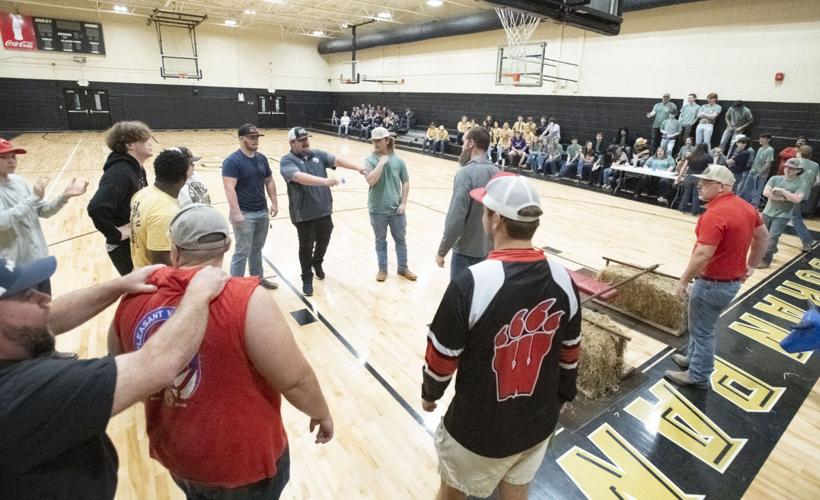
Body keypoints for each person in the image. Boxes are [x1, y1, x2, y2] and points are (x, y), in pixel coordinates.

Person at [110, 204, 333, 498]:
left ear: (175, 250)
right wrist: (321, 412)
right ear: (228, 245)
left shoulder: (134, 296)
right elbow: (294, 379)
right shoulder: (247, 299)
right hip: (244, 466)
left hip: (178, 455)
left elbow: (118, 368)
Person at [0, 256, 229, 498]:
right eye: (26, 296)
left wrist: (119, 285)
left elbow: (49, 317)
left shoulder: (11, 336)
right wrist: (198, 294)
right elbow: (157, 364)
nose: (44, 299)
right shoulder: (23, 394)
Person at [422, 173, 580, 500]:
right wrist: (563, 396)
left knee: (451, 494)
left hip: (477, 432)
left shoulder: (472, 282)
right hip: (537, 424)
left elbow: (441, 357)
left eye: (484, 209)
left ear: (496, 220)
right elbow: (570, 353)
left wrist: (430, 393)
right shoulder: (564, 280)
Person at [666, 164, 768, 388]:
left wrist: (683, 281)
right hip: (728, 283)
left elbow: (703, 254)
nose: (700, 186)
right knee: (699, 326)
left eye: (706, 182)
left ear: (722, 187)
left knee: (703, 331)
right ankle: (692, 360)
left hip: (712, 284)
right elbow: (762, 237)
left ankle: (698, 376)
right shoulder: (747, 208)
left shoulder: (714, 214)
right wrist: (751, 265)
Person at [280, 127, 366, 296]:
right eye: (301, 140)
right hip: (304, 214)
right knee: (306, 246)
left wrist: (358, 167)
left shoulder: (317, 154)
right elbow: (298, 177)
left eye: (306, 138)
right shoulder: (287, 161)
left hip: (324, 210)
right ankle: (306, 278)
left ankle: (317, 262)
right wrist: (325, 181)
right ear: (292, 143)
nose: (306, 142)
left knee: (324, 239)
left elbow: (337, 160)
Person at [0, 138, 87, 294]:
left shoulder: (18, 181)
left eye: (13, 156)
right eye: (3, 157)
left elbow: (42, 211)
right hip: (15, 270)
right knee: (27, 316)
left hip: (38, 262)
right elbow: (3, 222)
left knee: (45, 308)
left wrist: (64, 197)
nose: (11, 161)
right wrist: (33, 198)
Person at [88, 121, 151, 276]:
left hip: (135, 242)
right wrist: (116, 234)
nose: (150, 143)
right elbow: (96, 207)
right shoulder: (120, 172)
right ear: (130, 145)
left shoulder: (136, 168)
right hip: (124, 247)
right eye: (144, 139)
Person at [436, 126, 499, 280]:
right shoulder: (497, 173)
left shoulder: (465, 174)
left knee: (460, 301)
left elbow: (456, 218)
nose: (462, 146)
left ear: (471, 143)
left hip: (465, 253)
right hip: (491, 252)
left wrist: (442, 250)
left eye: (464, 142)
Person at [222, 123, 279, 290]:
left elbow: (269, 180)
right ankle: (235, 287)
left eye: (257, 137)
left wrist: (274, 202)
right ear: (241, 139)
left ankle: (257, 280)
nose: (256, 141)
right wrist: (236, 212)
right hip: (244, 214)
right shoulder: (232, 161)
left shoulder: (261, 158)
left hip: (261, 212)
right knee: (242, 251)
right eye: (252, 138)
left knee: (257, 249)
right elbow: (229, 187)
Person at [364, 127, 416, 282]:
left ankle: (403, 268)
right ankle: (382, 269)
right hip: (377, 209)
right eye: (373, 141)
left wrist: (404, 203)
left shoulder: (399, 161)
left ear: (387, 140)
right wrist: (380, 164)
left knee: (401, 240)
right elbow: (370, 180)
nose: (375, 143)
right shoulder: (369, 160)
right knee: (380, 241)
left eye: (378, 140)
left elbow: (405, 182)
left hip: (396, 210)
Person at [130, 149, 188, 267]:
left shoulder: (142, 194)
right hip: (154, 281)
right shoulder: (166, 213)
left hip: (140, 269)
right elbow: (162, 262)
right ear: (184, 177)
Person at [757, 159, 807, 268]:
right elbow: (766, 193)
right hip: (767, 212)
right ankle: (772, 249)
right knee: (762, 236)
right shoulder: (775, 178)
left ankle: (766, 260)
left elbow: (797, 199)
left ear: (798, 170)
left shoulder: (801, 183)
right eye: (786, 167)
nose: (787, 169)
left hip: (782, 215)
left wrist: (782, 191)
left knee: (772, 237)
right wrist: (784, 198)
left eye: (791, 168)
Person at [792, 145, 819, 251]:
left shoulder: (795, 161)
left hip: (793, 193)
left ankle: (807, 241)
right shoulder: (815, 165)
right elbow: (818, 181)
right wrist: (807, 187)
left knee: (795, 218)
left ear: (800, 152)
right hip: (805, 194)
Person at [738, 134, 774, 208]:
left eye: (763, 138)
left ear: (768, 139)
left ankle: (753, 207)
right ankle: (744, 204)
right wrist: (752, 170)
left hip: (760, 175)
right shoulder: (760, 148)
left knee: (756, 192)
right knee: (746, 188)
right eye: (760, 138)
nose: (760, 140)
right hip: (752, 172)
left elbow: (768, 164)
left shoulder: (770, 150)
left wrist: (759, 173)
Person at [676, 144, 710, 215]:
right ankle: (695, 211)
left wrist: (680, 176)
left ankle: (682, 208)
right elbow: (710, 168)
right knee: (696, 195)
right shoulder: (708, 157)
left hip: (689, 176)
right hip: (699, 177)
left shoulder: (690, 156)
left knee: (686, 193)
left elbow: (684, 167)